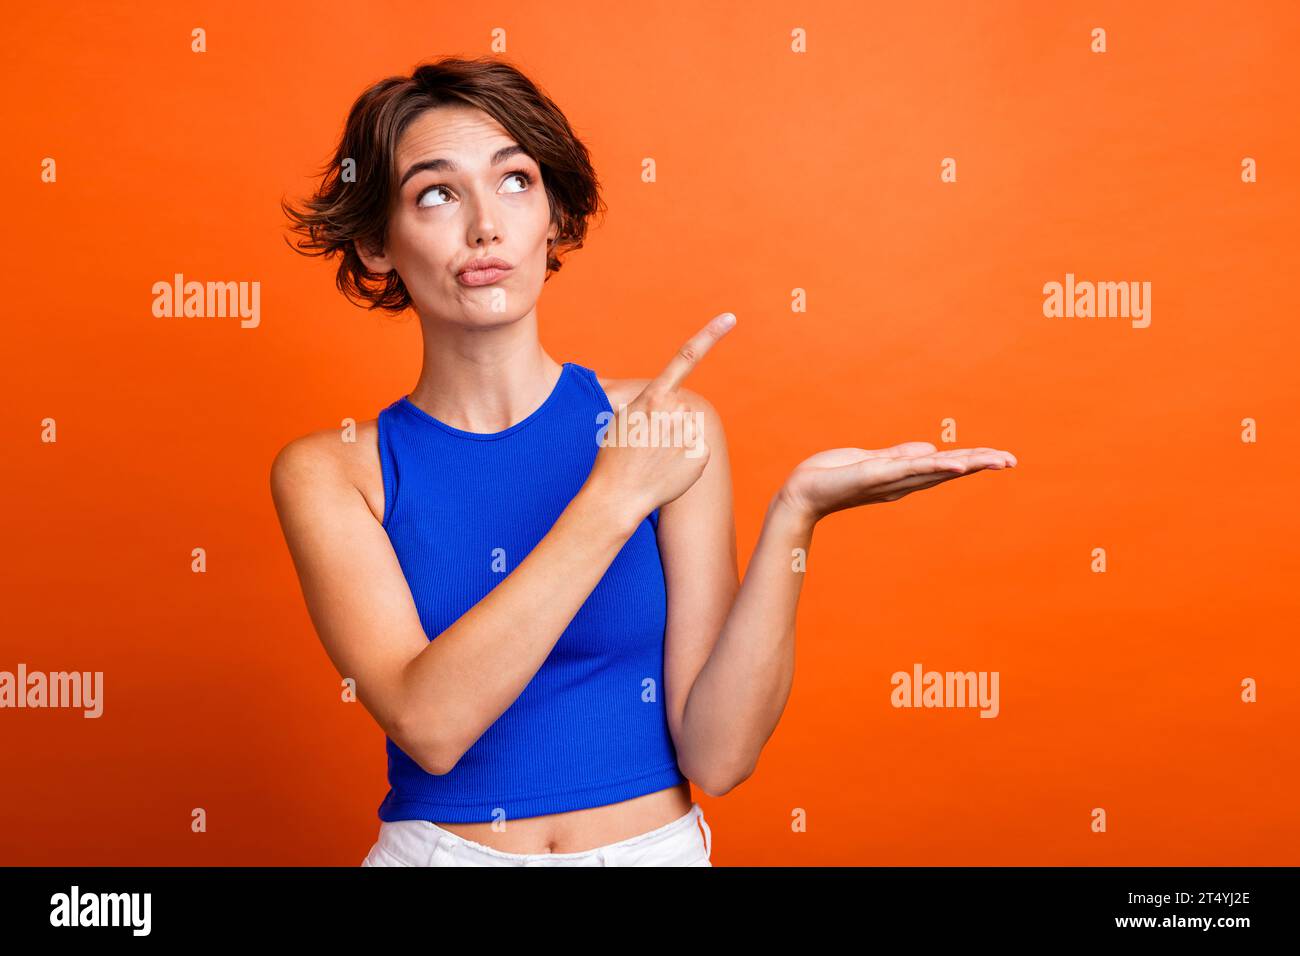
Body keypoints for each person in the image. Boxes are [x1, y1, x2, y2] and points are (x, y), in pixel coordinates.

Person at [270, 56, 1016, 867]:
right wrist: (613, 498)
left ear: (553, 217)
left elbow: (719, 757)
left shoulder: (667, 426)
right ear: (378, 244)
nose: (485, 225)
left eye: (515, 181)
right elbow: (433, 726)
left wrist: (796, 514)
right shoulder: (334, 470)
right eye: (437, 193)